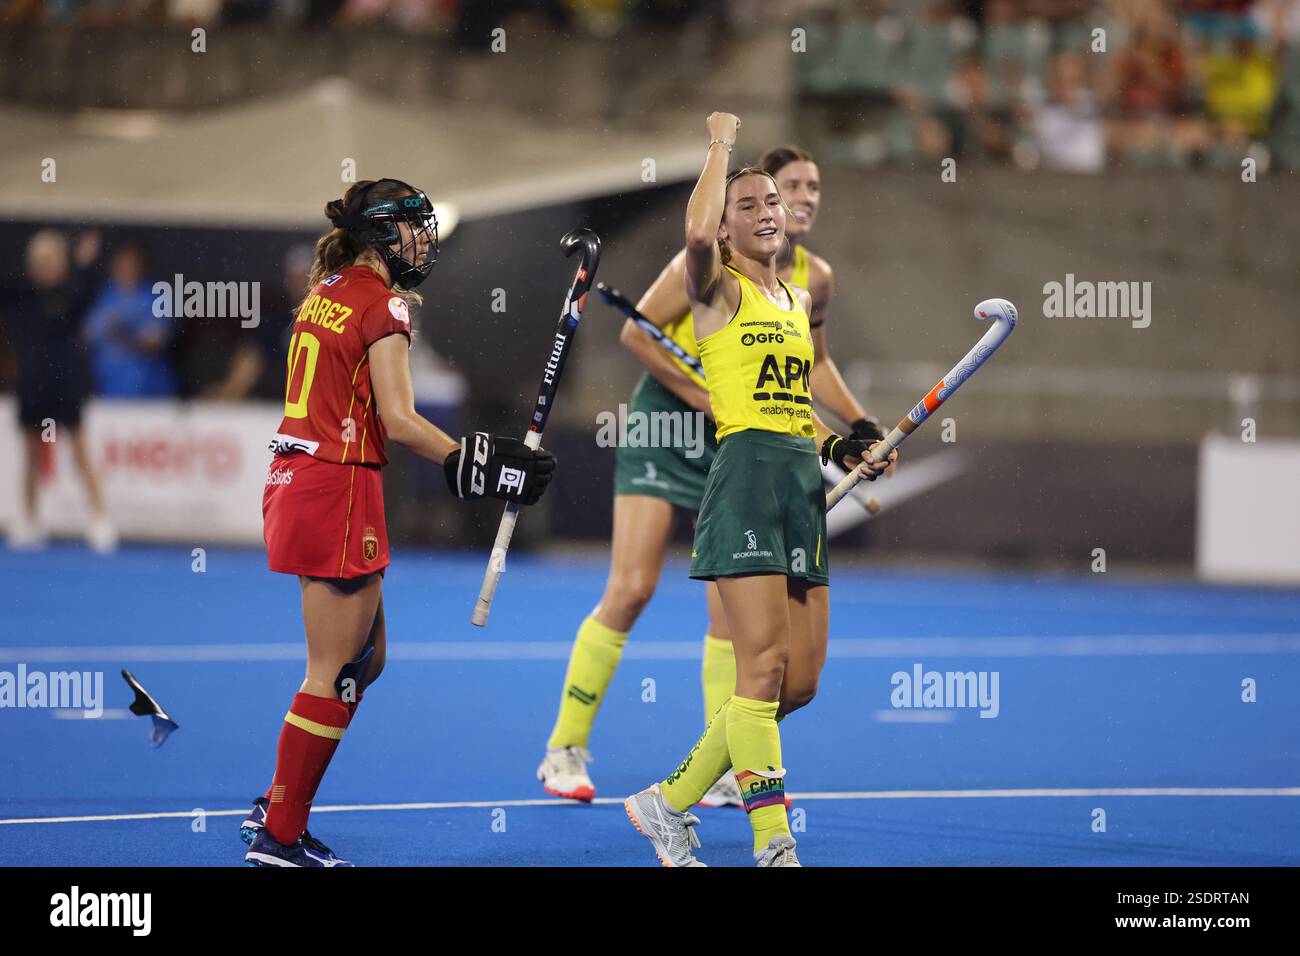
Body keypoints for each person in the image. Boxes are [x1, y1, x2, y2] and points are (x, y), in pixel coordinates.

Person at [538, 143, 884, 808]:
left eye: (808, 189)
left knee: (734, 618)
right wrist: (704, 398)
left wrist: (858, 428)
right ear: (734, 214)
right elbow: (639, 335)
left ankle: (720, 762)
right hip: (671, 425)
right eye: (785, 188)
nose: (799, 200)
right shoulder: (711, 261)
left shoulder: (813, 277)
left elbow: (809, 368)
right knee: (633, 585)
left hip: (750, 444)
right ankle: (566, 745)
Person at [240, 178, 557, 867]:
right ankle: (281, 832)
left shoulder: (324, 293)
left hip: (302, 483)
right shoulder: (383, 304)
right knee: (330, 669)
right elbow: (401, 420)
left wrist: (477, 459)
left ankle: (281, 801)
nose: (426, 240)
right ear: (383, 234)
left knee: (366, 660)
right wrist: (484, 465)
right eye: (415, 226)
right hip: (338, 489)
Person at [623, 112, 895, 867]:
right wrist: (721, 147)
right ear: (728, 227)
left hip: (798, 486)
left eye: (772, 200)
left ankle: (666, 803)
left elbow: (794, 408)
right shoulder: (716, 289)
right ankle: (773, 843)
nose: (767, 211)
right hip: (743, 483)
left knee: (798, 684)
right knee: (763, 668)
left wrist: (844, 446)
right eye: (748, 205)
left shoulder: (796, 304)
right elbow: (696, 232)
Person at [1, 228, 117, 552]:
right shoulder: (22, 295)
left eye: (50, 260)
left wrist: (84, 264)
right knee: (31, 456)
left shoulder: (72, 294)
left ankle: (100, 519)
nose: (43, 266)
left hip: (66, 383)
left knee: (81, 454)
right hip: (31, 384)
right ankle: (29, 518)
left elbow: (90, 290)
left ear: (62, 263)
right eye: (38, 261)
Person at [84, 242, 178, 398]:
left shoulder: (157, 296)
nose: (126, 268)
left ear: (141, 266)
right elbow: (88, 335)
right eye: (121, 263)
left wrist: (121, 330)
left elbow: (153, 341)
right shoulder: (103, 296)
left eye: (131, 263)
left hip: (149, 392)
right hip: (107, 390)